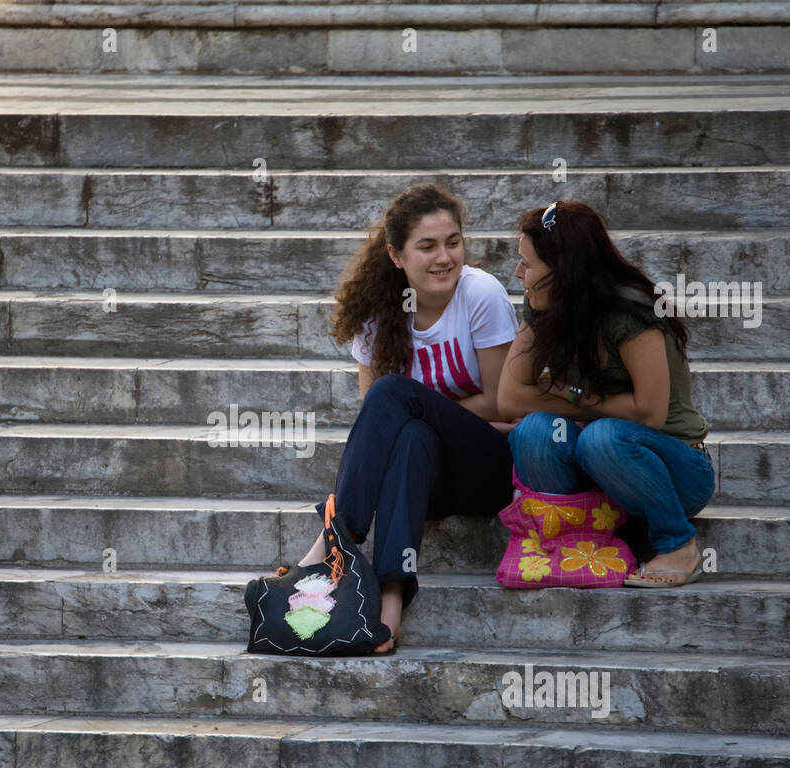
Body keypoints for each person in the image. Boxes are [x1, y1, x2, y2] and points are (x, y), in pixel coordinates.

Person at [287, 183, 518, 653]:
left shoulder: (480, 294)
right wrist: (420, 414)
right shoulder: (379, 313)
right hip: (423, 473)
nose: (445, 257)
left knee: (399, 399)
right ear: (396, 255)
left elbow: (500, 402)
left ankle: (338, 534)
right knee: (410, 436)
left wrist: (423, 406)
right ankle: (391, 604)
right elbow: (381, 425)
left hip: (488, 464)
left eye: (453, 242)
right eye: (427, 246)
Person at [497, 200, 714, 587]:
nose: (518, 274)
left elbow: (650, 414)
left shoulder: (630, 310)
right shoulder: (543, 306)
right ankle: (569, 542)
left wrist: (577, 398)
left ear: (564, 271)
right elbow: (510, 397)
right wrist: (579, 400)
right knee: (534, 432)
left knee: (601, 438)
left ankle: (679, 544)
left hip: (673, 468)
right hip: (600, 471)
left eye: (527, 265)